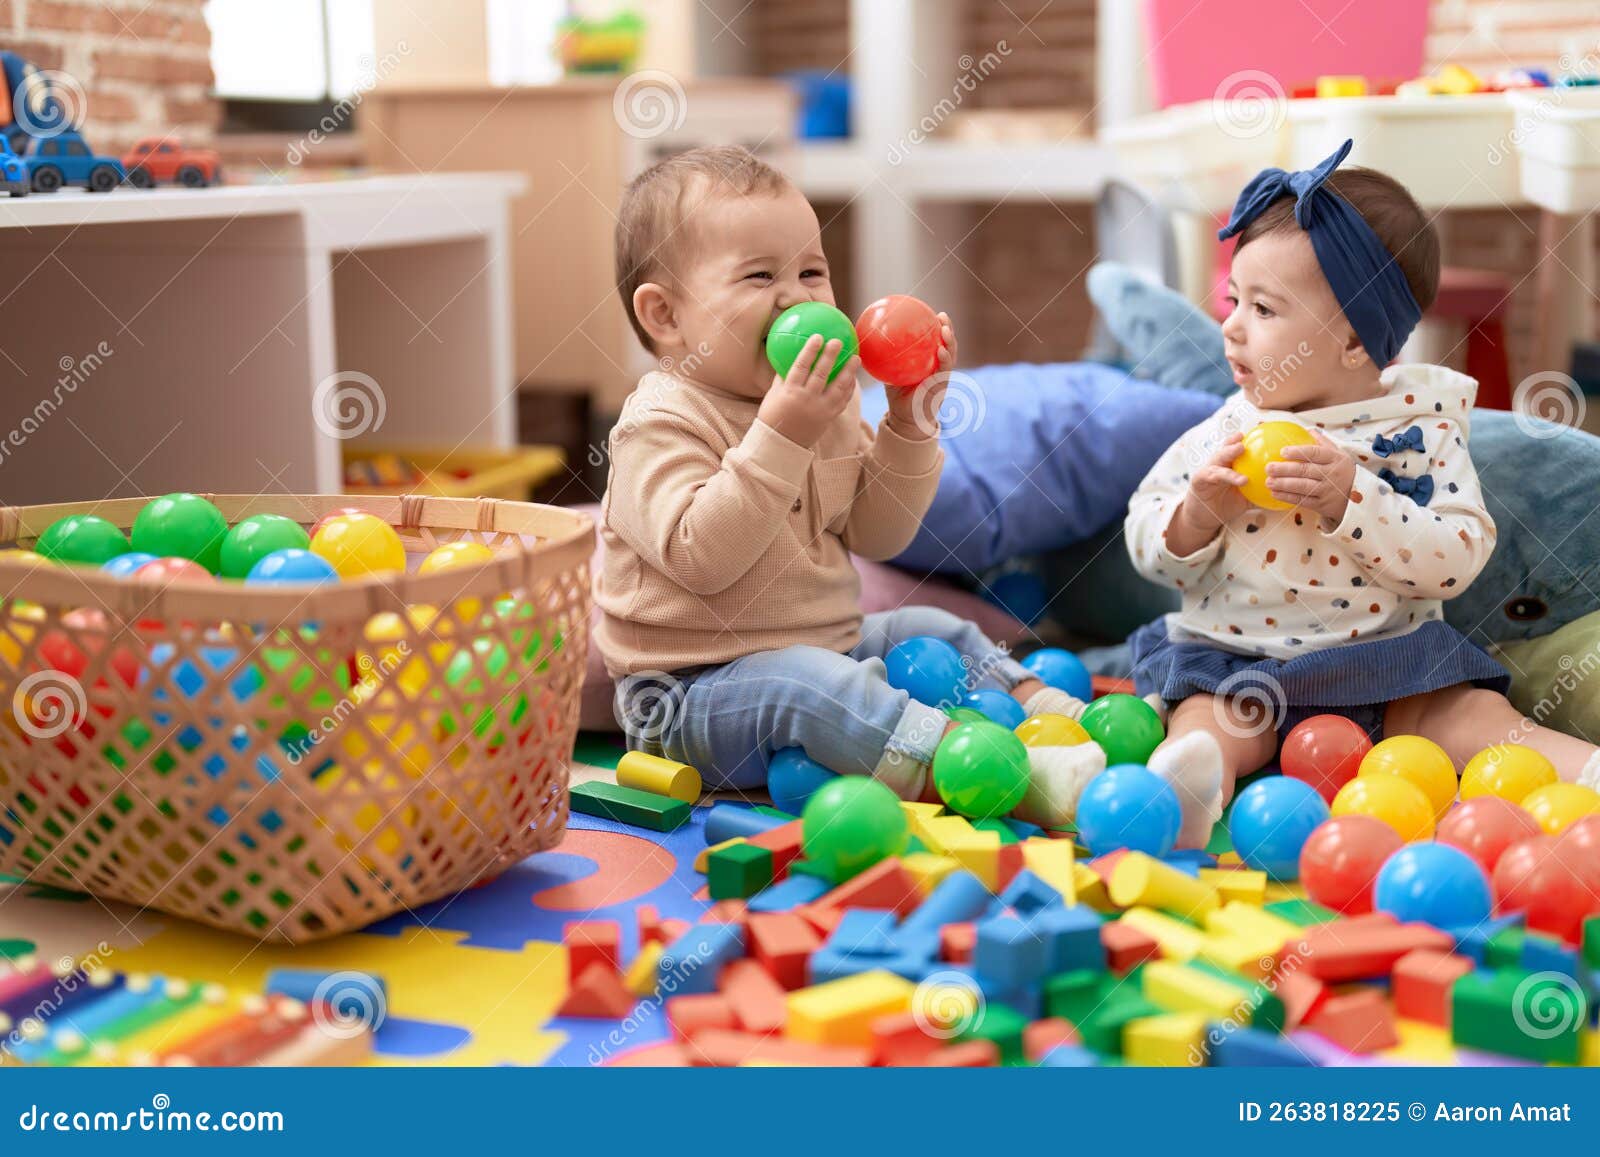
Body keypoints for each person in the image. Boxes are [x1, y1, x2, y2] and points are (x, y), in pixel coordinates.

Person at [593, 145, 1098, 822]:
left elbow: (879, 533)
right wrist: (781, 434)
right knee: (810, 685)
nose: (797, 296)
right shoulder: (658, 423)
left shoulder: (819, 407)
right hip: (689, 700)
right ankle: (1001, 773)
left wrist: (909, 419)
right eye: (759, 275)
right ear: (665, 316)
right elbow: (701, 557)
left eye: (811, 270)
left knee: (929, 626)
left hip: (824, 653)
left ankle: (1058, 717)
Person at [1122, 140, 1600, 847]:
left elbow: (1457, 556)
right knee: (1210, 717)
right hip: (1242, 664)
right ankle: (1195, 777)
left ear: (1353, 341)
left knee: (1472, 720)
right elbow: (1147, 540)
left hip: (1389, 665)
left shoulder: (1416, 430)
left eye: (1262, 308)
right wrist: (1198, 514)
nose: (1231, 325)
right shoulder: (1227, 429)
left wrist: (1355, 500)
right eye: (1234, 300)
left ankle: (1581, 768)